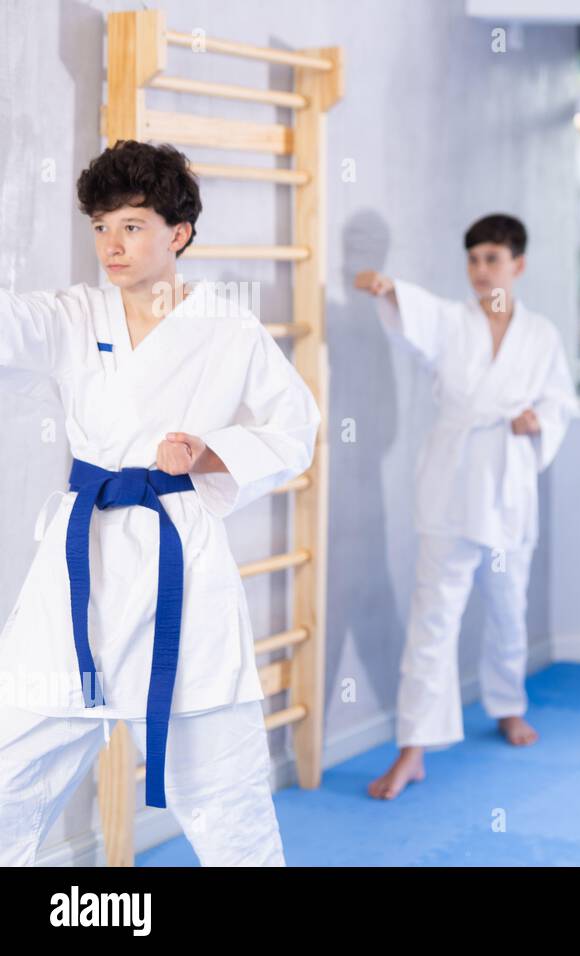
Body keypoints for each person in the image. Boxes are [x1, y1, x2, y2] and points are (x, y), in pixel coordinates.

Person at [0, 140, 321, 866]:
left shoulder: (228, 328)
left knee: (226, 794)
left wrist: (209, 454)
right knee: (8, 773)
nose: (111, 244)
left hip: (179, 566)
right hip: (79, 571)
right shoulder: (72, 315)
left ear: (177, 233)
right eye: (101, 226)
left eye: (133, 226)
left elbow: (296, 425)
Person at [355, 214, 575, 800]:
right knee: (433, 619)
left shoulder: (542, 336)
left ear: (517, 266)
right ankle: (414, 747)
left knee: (508, 609)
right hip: (451, 491)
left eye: (493, 259)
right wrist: (389, 289)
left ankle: (507, 705)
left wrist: (537, 422)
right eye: (473, 259)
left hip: (506, 490)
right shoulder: (451, 323)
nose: (481, 270)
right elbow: (415, 314)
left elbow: (560, 403)